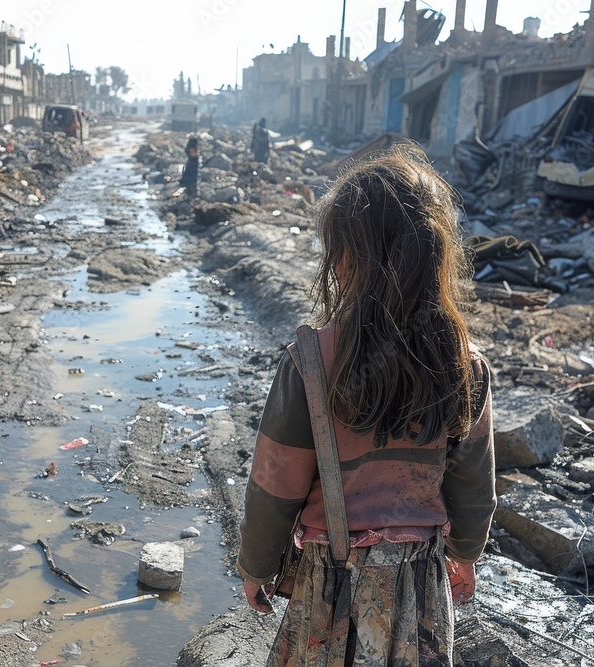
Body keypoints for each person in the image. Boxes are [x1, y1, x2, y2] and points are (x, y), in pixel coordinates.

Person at [238, 145, 496, 666]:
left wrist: (256, 565)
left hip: (329, 583)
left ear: (346, 256)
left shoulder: (310, 362)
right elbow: (473, 483)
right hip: (421, 581)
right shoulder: (464, 364)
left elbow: (274, 485)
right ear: (433, 253)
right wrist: (465, 554)